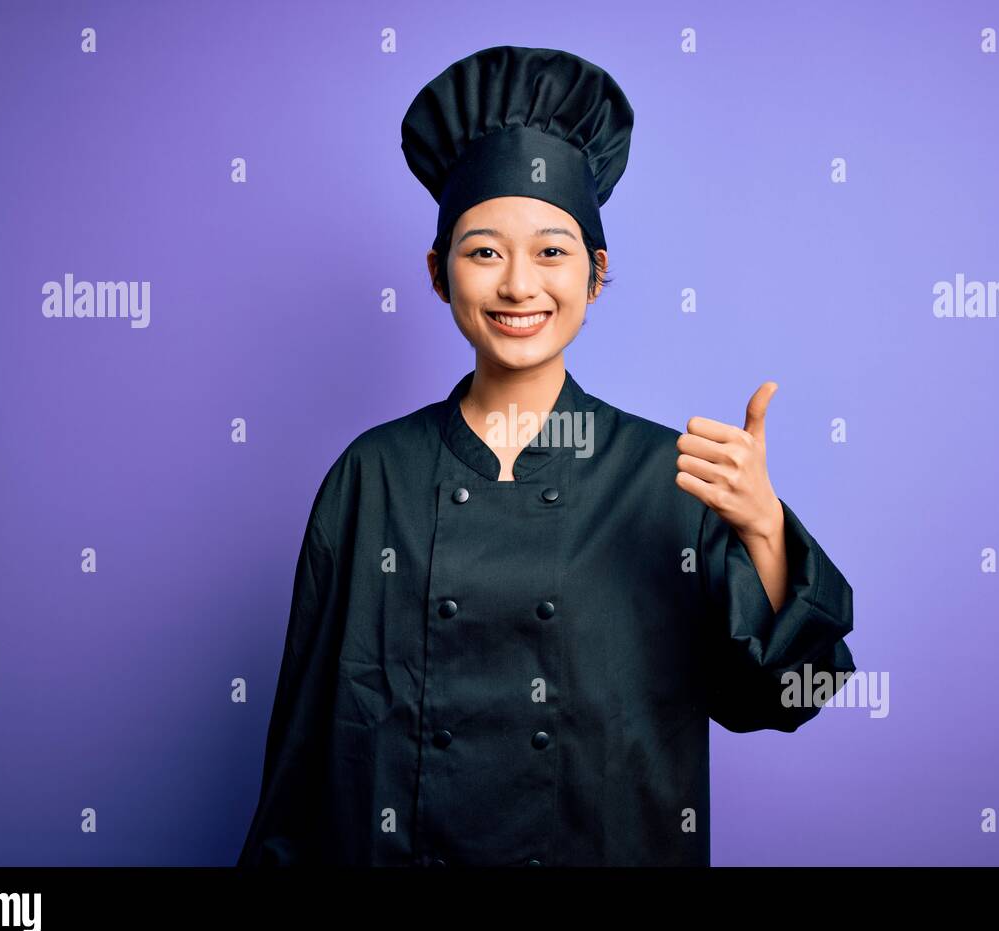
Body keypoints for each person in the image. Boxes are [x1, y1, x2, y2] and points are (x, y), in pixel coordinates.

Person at [237, 45, 856, 868]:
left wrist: (766, 532)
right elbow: (305, 753)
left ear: (597, 277)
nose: (519, 284)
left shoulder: (670, 476)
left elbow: (784, 700)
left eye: (553, 251)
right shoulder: (372, 476)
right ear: (436, 273)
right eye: (484, 250)